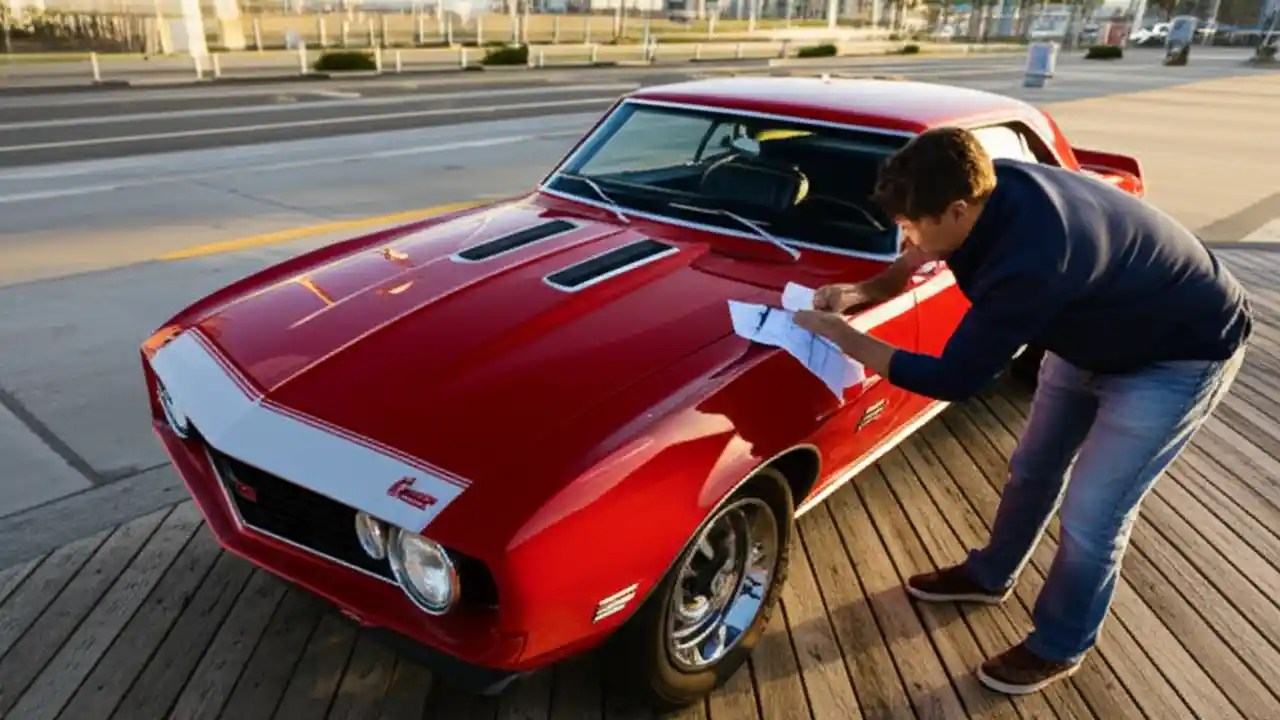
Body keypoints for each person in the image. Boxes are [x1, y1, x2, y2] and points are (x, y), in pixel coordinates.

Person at [794, 127, 1252, 695]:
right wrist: (866, 291)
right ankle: (990, 574)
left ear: (958, 210)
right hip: (1091, 331)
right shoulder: (987, 185)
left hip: (1178, 355)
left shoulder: (1031, 261)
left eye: (911, 223)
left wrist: (844, 337)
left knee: (1092, 515)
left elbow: (955, 377)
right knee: (1033, 468)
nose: (904, 234)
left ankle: (1061, 644)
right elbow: (919, 248)